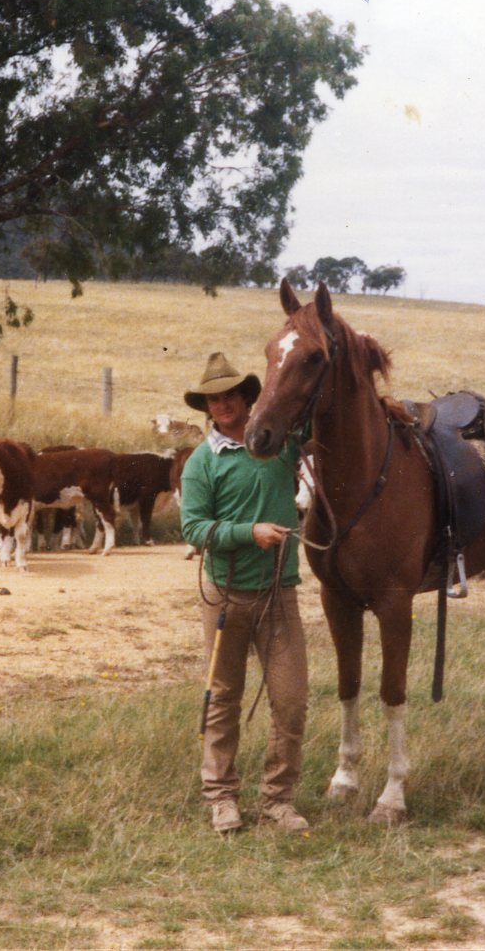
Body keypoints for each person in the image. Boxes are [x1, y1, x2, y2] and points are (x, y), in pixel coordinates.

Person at [178, 351, 310, 834]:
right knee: (223, 699)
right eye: (213, 398)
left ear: (246, 397)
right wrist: (247, 533)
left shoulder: (280, 445)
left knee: (292, 699)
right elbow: (194, 529)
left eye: (230, 395)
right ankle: (222, 799)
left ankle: (278, 800)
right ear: (206, 406)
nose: (222, 404)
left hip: (279, 594)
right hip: (225, 597)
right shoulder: (201, 464)